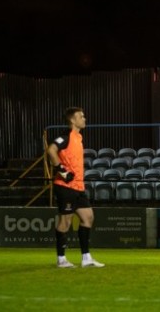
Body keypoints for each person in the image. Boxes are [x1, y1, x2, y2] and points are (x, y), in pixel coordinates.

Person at [47, 106, 104, 268]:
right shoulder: (66, 137)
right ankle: (61, 259)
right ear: (73, 120)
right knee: (65, 221)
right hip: (65, 186)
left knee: (88, 218)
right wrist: (62, 171)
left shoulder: (78, 138)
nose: (84, 119)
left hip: (78, 187)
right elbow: (51, 150)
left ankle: (86, 258)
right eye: (81, 116)